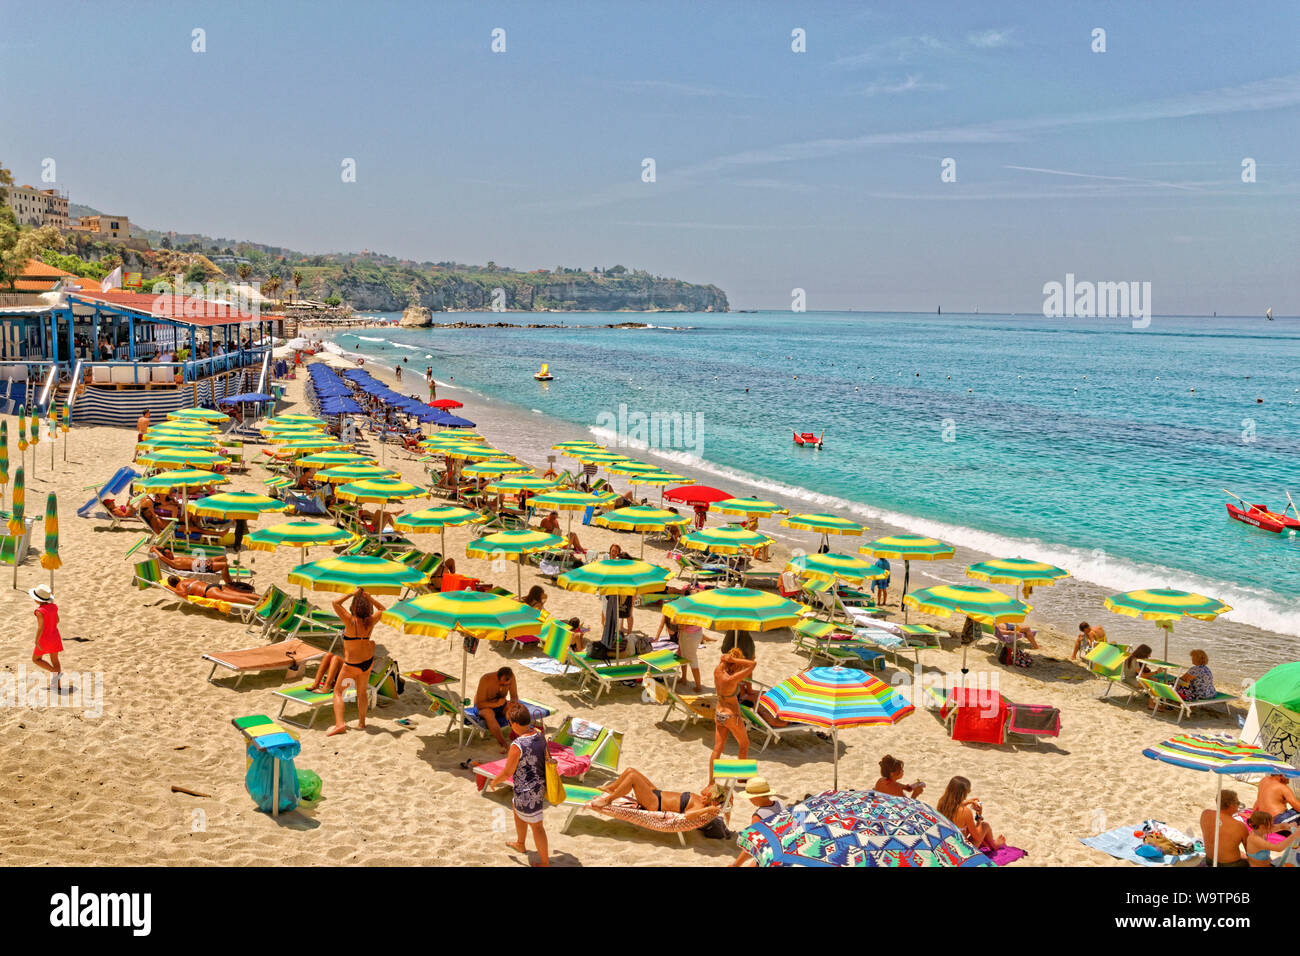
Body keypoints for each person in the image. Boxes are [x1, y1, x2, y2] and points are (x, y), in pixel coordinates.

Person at [487, 701, 550, 867]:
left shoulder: (517, 745)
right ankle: (520, 844)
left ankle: (545, 863)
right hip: (539, 785)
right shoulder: (539, 734)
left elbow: (508, 772)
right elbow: (546, 757)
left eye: (509, 723)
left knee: (537, 827)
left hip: (527, 791)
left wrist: (494, 781)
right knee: (516, 809)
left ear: (514, 723)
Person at [326, 587, 386, 737]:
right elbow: (383, 609)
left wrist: (351, 594)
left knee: (338, 692)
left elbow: (335, 603)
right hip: (366, 662)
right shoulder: (370, 621)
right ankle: (362, 722)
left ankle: (340, 724)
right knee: (361, 693)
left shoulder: (350, 621)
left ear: (353, 607)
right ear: (368, 608)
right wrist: (369, 597)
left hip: (351, 665)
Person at [591, 768, 726, 822]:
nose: (704, 795)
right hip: (657, 793)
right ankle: (611, 788)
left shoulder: (700, 806)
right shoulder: (702, 799)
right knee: (630, 770)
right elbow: (726, 798)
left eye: (707, 797)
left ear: (711, 801)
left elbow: (688, 816)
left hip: (655, 804)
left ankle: (608, 800)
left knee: (632, 777)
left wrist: (709, 808)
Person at [711, 647, 757, 773]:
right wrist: (735, 659)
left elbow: (723, 658)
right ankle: (742, 777)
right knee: (744, 744)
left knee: (717, 749)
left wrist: (729, 659)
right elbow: (753, 664)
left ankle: (711, 783)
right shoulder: (732, 679)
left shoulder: (718, 670)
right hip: (731, 715)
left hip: (719, 713)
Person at [936, 776, 1006, 852]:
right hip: (961, 850)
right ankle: (994, 846)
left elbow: (954, 808)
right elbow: (977, 837)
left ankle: (990, 843)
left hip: (947, 845)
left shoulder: (942, 802)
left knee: (969, 827)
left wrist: (967, 802)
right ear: (963, 793)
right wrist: (979, 816)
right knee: (985, 825)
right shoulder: (965, 812)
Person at [730, 778, 787, 866]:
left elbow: (753, 844)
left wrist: (735, 864)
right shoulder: (780, 804)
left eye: (750, 797)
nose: (749, 800)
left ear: (757, 796)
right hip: (787, 849)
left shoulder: (758, 817)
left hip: (772, 855)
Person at [29, 585, 69, 694]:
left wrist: (36, 640)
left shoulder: (39, 611)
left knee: (36, 659)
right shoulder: (54, 607)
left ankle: (53, 671)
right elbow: (57, 620)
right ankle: (57, 685)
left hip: (44, 639)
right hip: (55, 637)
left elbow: (40, 627)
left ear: (38, 600)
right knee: (55, 660)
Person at [655, 612, 708, 691]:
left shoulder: (688, 611)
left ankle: (698, 686)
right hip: (687, 633)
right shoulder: (684, 609)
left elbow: (682, 625)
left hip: (691, 635)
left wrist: (674, 622)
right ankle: (684, 678)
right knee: (682, 655)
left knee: (692, 659)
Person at [473, 666, 520, 751]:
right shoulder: (486, 679)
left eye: (507, 685)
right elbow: (479, 704)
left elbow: (514, 696)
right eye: (501, 684)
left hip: (500, 705)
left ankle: (520, 737)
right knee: (489, 713)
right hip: (484, 706)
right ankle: (503, 743)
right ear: (497, 678)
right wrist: (496, 704)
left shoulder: (511, 677)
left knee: (515, 708)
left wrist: (512, 704)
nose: (503, 687)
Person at [1200, 789, 1249, 867]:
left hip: (1210, 861)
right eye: (1238, 803)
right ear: (1231, 805)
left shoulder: (1205, 814)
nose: (1239, 805)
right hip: (1231, 865)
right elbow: (1250, 852)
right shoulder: (1239, 826)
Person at [165, 575, 260, 605]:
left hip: (209, 591)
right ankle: (262, 597)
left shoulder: (180, 585)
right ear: (178, 578)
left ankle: (258, 604)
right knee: (240, 594)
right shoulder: (186, 580)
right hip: (215, 586)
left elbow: (183, 593)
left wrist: (170, 588)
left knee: (236, 598)